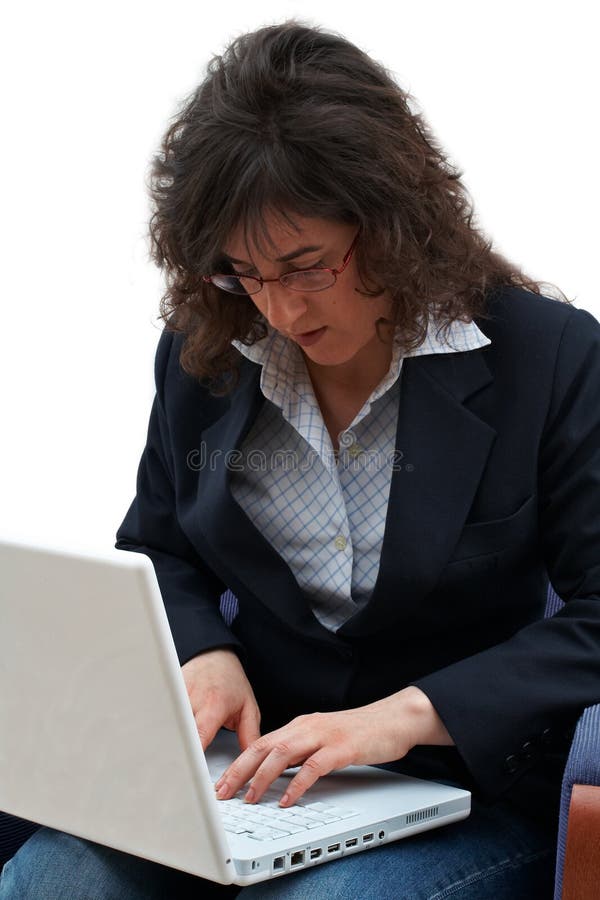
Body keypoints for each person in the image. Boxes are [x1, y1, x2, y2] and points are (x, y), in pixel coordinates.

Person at [2, 18, 599, 900]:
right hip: (256, 777)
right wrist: (205, 650)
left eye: (306, 266)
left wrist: (402, 718)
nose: (279, 310)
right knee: (55, 879)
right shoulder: (206, 350)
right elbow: (159, 547)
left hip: (459, 787)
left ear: (391, 221)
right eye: (243, 272)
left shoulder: (546, 359)